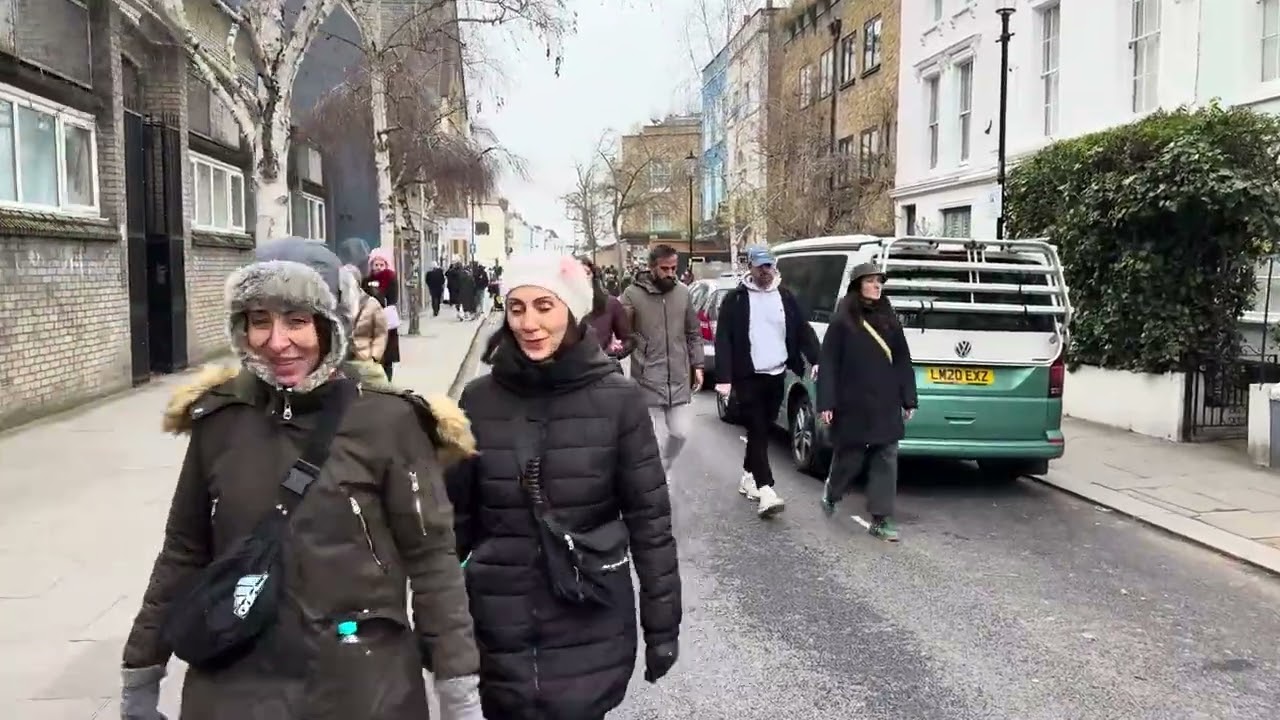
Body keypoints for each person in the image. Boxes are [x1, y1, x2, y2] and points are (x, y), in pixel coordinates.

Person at [119, 236, 483, 720]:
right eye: (260, 320)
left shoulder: (389, 422)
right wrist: (141, 672)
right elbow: (182, 552)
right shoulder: (220, 420)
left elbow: (433, 562)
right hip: (235, 683)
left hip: (363, 688)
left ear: (332, 325)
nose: (277, 342)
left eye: (297, 321)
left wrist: (459, 695)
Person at [445, 250, 681, 720]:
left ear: (571, 311)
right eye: (517, 308)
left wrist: (662, 628)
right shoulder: (477, 400)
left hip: (588, 617)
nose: (529, 323)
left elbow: (650, 523)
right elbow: (452, 524)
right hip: (500, 624)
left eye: (544, 306)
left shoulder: (619, 401)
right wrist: (434, 621)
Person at [713, 246, 820, 518]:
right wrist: (724, 379)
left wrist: (816, 359)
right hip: (747, 376)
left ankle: (748, 476)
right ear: (750, 266)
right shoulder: (736, 299)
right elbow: (723, 339)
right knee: (757, 427)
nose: (765, 271)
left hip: (776, 374)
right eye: (760, 266)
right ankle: (766, 489)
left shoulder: (785, 297)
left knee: (761, 430)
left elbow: (802, 329)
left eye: (769, 266)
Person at [816, 263, 918, 542]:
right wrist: (826, 403)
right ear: (857, 285)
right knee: (850, 457)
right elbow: (828, 363)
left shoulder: (889, 318)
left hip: (885, 401)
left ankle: (881, 519)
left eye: (879, 281)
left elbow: (902, 360)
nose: (877, 286)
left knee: (886, 456)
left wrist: (909, 398)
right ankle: (833, 491)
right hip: (852, 402)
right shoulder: (842, 321)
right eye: (871, 281)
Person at [621, 245, 704, 472]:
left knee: (681, 432)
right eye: (665, 269)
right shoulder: (632, 294)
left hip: (678, 377)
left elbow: (693, 332)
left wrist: (697, 365)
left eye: (674, 268)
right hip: (647, 377)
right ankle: (657, 476)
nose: (670, 273)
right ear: (652, 267)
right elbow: (623, 332)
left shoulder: (683, 293)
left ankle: (664, 466)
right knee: (653, 439)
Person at [582, 258, 632, 366]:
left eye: (586, 273)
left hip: (603, 368)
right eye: (577, 273)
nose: (582, 277)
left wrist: (613, 352)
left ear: (593, 276)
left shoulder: (610, 303)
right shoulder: (559, 306)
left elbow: (628, 340)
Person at [363, 248, 401, 381]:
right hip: (370, 322)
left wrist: (378, 293)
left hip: (386, 322)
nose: (378, 267)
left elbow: (393, 299)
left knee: (387, 355)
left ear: (386, 265)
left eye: (381, 265)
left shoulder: (391, 278)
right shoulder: (366, 280)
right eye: (376, 264)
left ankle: (388, 380)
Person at [341, 264, 389, 366]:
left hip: (365, 359)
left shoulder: (371, 304)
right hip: (343, 361)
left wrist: (374, 357)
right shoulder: (337, 305)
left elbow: (381, 334)